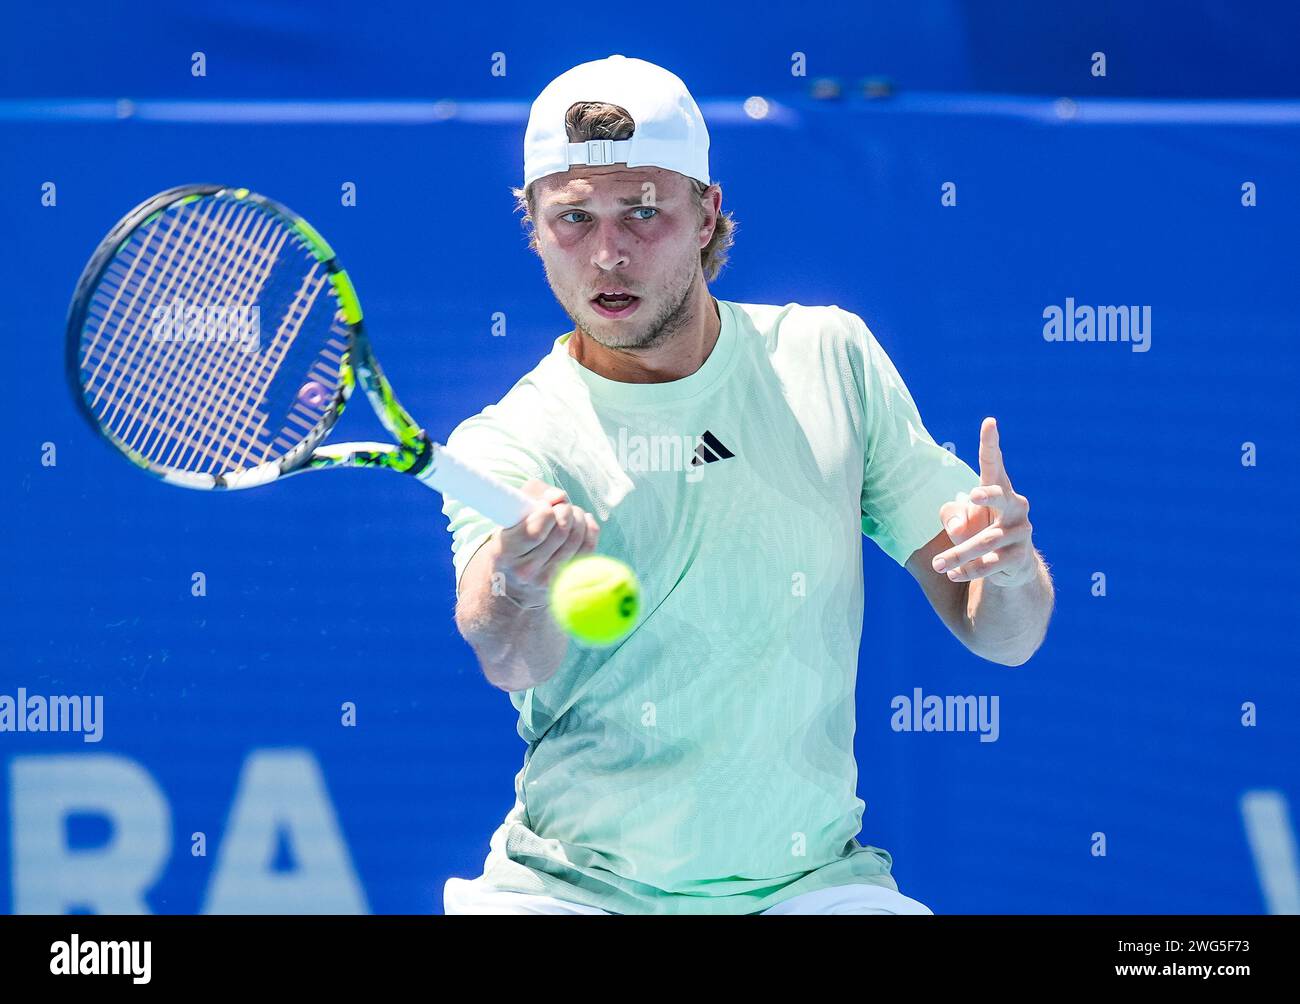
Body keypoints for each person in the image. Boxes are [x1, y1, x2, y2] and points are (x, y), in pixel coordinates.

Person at [441, 55, 1054, 915]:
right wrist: (516, 581)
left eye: (643, 211)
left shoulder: (830, 359)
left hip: (812, 886)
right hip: (571, 892)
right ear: (535, 230)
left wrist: (1015, 571)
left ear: (706, 214)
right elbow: (511, 659)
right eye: (573, 217)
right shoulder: (507, 443)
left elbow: (1005, 637)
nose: (608, 253)